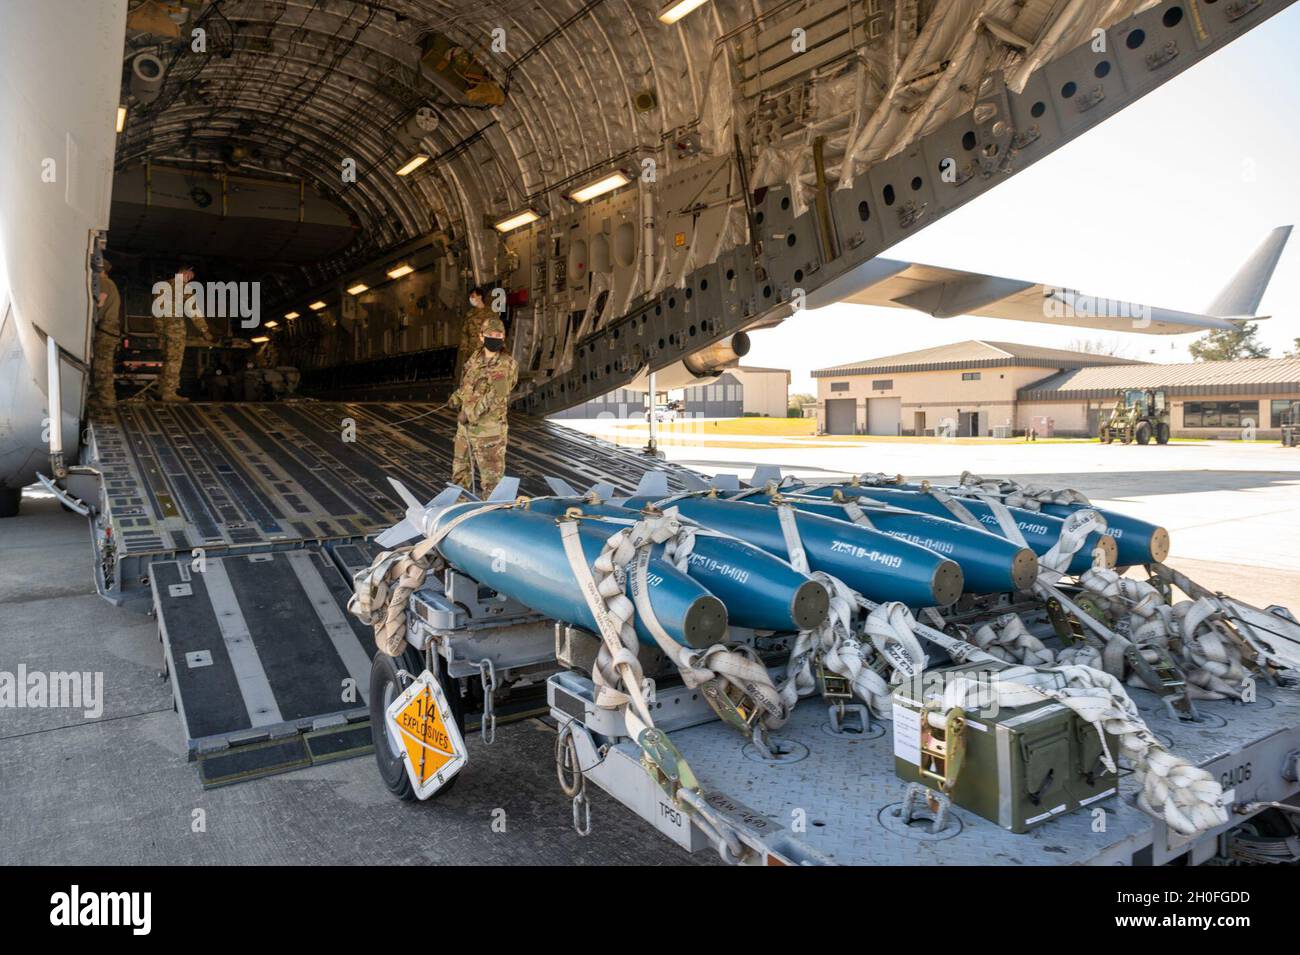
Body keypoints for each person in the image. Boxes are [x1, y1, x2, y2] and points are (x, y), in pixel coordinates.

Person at [448, 315, 517, 496]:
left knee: (492, 484)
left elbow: (497, 396)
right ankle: (460, 512)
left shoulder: (506, 364)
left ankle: (493, 518)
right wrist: (457, 397)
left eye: (498, 334)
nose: (494, 338)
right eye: (490, 334)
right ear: (481, 336)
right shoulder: (475, 358)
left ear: (503, 337)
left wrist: (469, 414)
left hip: (489, 432)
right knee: (459, 475)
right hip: (465, 431)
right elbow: (468, 384)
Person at [157, 265, 214, 402]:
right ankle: (169, 393)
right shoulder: (182, 287)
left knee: (167, 360)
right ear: (185, 273)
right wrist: (205, 330)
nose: (189, 280)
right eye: (190, 277)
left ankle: (162, 389)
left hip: (163, 329)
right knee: (175, 361)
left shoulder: (162, 286)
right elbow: (193, 310)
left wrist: (159, 331)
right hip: (175, 329)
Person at [90, 259, 122, 405]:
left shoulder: (103, 283)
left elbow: (99, 303)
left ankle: (107, 399)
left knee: (102, 365)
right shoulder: (110, 283)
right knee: (103, 363)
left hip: (106, 328)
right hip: (110, 328)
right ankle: (103, 397)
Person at [456, 286, 494, 379]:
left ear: (480, 297)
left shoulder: (491, 313)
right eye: (470, 297)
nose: (471, 299)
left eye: (473, 296)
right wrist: (464, 351)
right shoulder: (469, 315)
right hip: (472, 352)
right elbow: (464, 334)